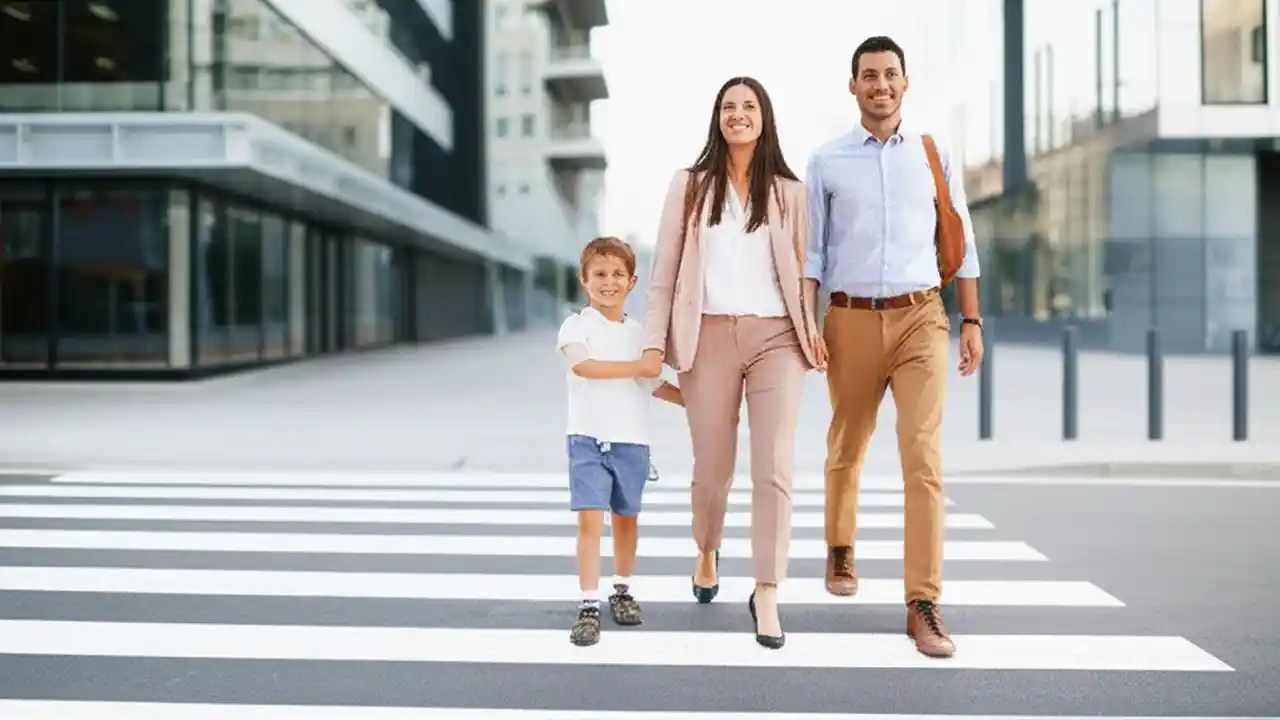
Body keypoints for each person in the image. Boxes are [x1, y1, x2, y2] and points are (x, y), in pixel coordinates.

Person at [803, 36, 985, 659]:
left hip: (921, 319)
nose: (880, 85)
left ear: (906, 84)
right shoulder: (826, 162)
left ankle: (923, 602)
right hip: (849, 320)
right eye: (869, 76)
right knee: (847, 443)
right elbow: (813, 254)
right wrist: (808, 321)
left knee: (923, 459)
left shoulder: (933, 156)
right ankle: (840, 546)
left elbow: (963, 239)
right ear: (851, 86)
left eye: (890, 75)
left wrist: (972, 320)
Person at [640, 76, 823, 649]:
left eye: (748, 106)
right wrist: (652, 345)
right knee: (713, 469)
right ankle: (706, 547)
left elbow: (810, 272)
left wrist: (815, 332)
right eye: (728, 106)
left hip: (778, 339)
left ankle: (766, 588)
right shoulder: (690, 186)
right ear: (717, 118)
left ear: (765, 117)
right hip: (708, 338)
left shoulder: (792, 192)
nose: (737, 114)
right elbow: (665, 272)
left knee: (773, 464)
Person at [557, 236, 684, 647]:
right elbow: (585, 366)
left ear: (632, 281)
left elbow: (654, 381)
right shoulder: (575, 325)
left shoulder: (640, 333)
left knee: (627, 519)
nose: (608, 282)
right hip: (588, 439)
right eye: (599, 274)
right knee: (590, 520)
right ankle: (588, 603)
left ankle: (623, 589)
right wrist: (639, 365)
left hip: (632, 441)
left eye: (617, 274)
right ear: (583, 280)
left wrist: (695, 402)